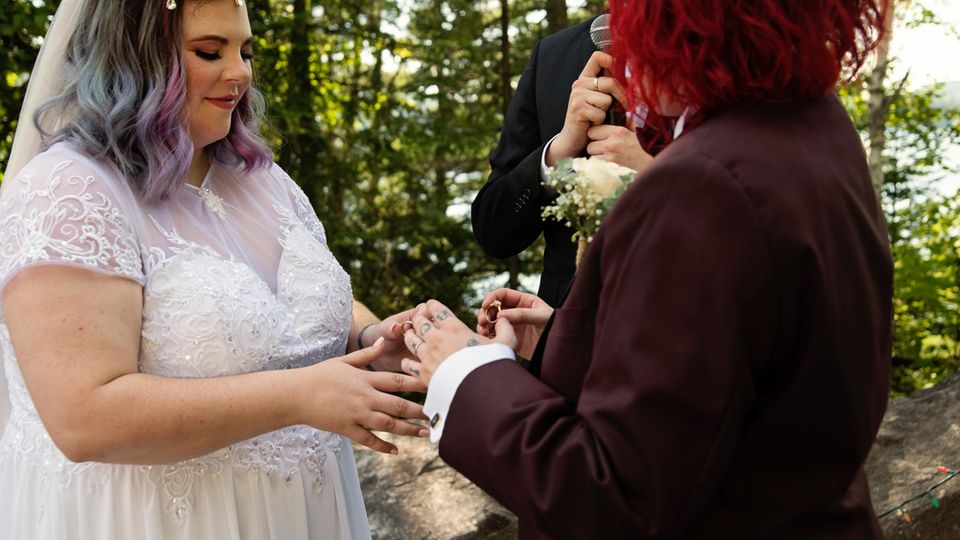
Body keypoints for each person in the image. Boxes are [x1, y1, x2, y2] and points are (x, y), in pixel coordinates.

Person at [398, 0, 894, 538]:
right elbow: (733, 357)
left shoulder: (699, 184)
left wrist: (464, 372)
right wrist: (569, 335)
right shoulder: (821, 123)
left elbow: (614, 499)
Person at [0, 0, 427, 537]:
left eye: (245, 51)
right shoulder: (68, 192)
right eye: (209, 51)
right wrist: (298, 395)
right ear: (135, 58)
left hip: (306, 514)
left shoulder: (264, 182)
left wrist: (368, 335)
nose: (240, 73)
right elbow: (84, 418)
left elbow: (287, 308)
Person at [471, 15, 650, 307]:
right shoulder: (552, 56)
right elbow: (493, 231)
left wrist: (653, 170)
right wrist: (558, 152)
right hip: (562, 326)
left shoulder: (714, 51)